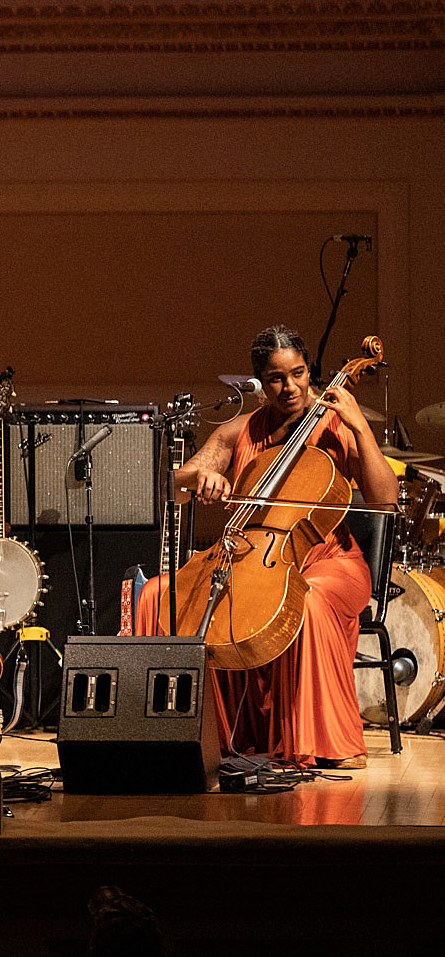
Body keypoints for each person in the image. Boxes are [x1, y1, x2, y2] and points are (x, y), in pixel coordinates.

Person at [137, 326, 397, 767]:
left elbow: (384, 499)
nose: (291, 387)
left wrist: (360, 428)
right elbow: (171, 485)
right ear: (260, 381)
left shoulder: (337, 425)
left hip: (328, 561)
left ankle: (321, 743)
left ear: (310, 371)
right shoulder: (239, 431)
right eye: (277, 378)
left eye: (299, 374)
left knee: (307, 602)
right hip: (249, 556)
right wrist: (201, 478)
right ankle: (178, 733)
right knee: (157, 595)